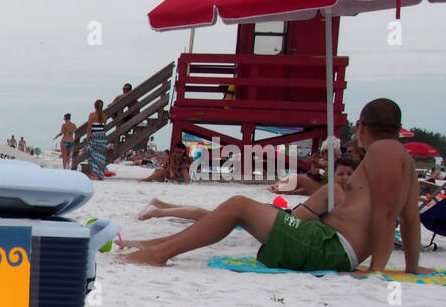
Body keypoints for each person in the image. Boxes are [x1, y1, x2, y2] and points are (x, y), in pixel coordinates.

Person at [121, 99, 427, 273]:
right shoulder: (407, 162)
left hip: (330, 245)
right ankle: (156, 247)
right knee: (239, 208)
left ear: (361, 126)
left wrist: (376, 272)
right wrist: (412, 268)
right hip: (329, 244)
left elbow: (386, 217)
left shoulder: (383, 151)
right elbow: (411, 221)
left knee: (238, 205)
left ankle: (159, 254)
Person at [133, 158, 357, 228]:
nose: (345, 178)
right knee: (210, 216)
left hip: (282, 213)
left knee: (211, 214)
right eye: (341, 173)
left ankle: (160, 205)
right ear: (332, 175)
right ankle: (157, 211)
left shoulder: (339, 194)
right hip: (282, 216)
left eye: (349, 174)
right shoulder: (333, 193)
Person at [83, 100, 107, 179]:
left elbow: (89, 127)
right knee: (100, 157)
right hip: (102, 137)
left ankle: (95, 174)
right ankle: (100, 174)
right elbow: (104, 127)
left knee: (93, 156)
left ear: (95, 106)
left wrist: (87, 138)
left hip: (94, 136)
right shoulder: (104, 115)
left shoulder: (92, 115)